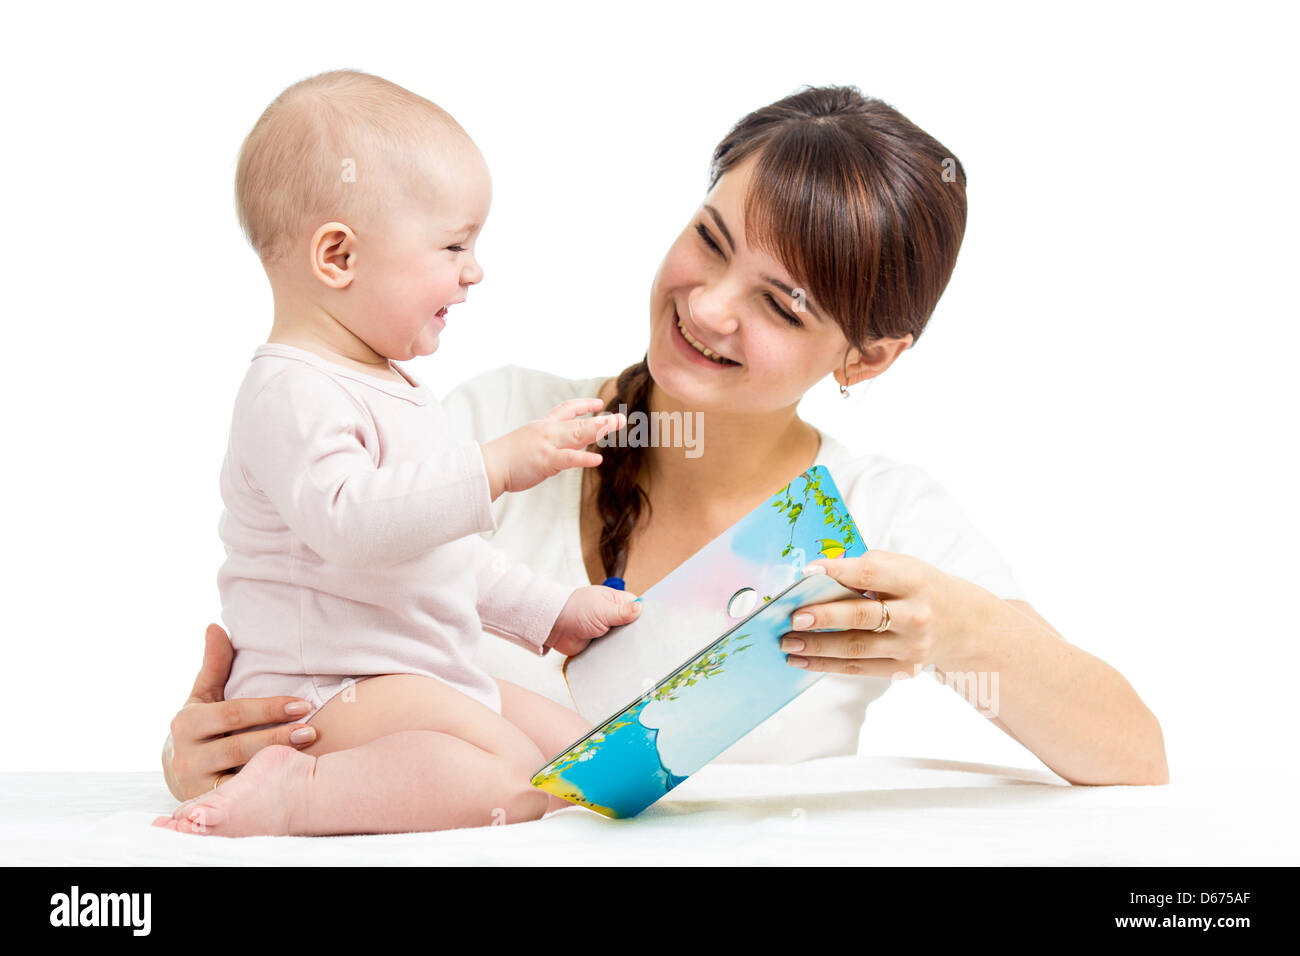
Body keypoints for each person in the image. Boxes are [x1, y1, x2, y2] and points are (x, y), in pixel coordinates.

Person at [162, 85, 1168, 809]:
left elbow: (1130, 752)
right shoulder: (494, 427)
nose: (707, 306)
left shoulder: (878, 518)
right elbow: (315, 661)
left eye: (779, 302)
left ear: (868, 355)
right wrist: (210, 754)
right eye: (710, 237)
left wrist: (959, 631)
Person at [154, 70, 643, 837]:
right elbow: (350, 521)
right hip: (328, 688)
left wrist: (550, 614)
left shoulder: (395, 389)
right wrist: (495, 465)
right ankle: (298, 791)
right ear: (339, 257)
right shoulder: (292, 388)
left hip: (410, 677)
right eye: (453, 244)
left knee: (593, 763)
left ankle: (345, 781)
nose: (473, 270)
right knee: (514, 780)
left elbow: (433, 552)